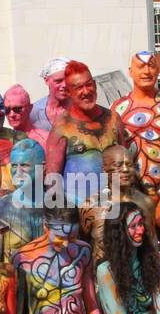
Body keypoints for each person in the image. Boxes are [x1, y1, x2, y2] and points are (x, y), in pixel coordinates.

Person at [44, 60, 126, 207]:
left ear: (95, 85)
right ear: (69, 92)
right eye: (78, 87)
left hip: (115, 210)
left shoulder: (114, 119)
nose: (86, 91)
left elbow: (126, 163)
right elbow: (52, 180)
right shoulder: (62, 127)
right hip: (79, 213)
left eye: (88, 84)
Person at [111, 51, 160, 198]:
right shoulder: (118, 107)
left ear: (157, 70)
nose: (146, 71)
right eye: (140, 66)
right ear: (130, 72)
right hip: (132, 192)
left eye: (151, 66)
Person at [0, 138, 47, 262]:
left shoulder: (59, 207)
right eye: (14, 165)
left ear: (42, 168)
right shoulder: (0, 209)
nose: (18, 171)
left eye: (25, 165)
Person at [30, 56, 72, 133]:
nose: (64, 85)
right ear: (46, 81)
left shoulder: (82, 108)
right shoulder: (34, 112)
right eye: (58, 81)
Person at [3, 84, 46, 150]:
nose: (11, 115)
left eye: (17, 109)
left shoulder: (45, 139)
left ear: (30, 108)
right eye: (7, 110)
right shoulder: (3, 141)